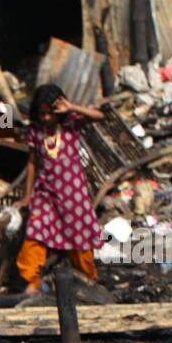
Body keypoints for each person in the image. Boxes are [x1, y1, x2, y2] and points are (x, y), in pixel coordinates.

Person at [16, 84, 106, 296]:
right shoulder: (35, 132)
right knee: (35, 232)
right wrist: (28, 195)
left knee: (79, 239)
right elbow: (32, 163)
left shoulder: (71, 124)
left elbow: (99, 116)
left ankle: (89, 281)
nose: (47, 118)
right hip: (45, 192)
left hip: (73, 194)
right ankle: (33, 281)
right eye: (43, 113)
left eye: (51, 113)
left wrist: (71, 107)